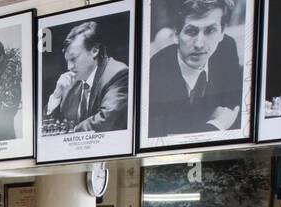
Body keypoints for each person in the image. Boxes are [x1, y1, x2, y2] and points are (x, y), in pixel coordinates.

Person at [147, 0, 245, 137]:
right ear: (176, 34)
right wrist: (216, 125)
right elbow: (168, 137)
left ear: (222, 32)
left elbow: (236, 109)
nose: (199, 44)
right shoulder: (156, 69)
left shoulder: (227, 48)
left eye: (210, 30)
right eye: (191, 31)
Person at [44, 21, 130, 133]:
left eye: (74, 59)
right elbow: (50, 127)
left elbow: (107, 121)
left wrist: (69, 132)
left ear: (94, 51)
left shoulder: (118, 74)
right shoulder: (70, 84)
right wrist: (56, 95)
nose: (69, 67)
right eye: (67, 61)